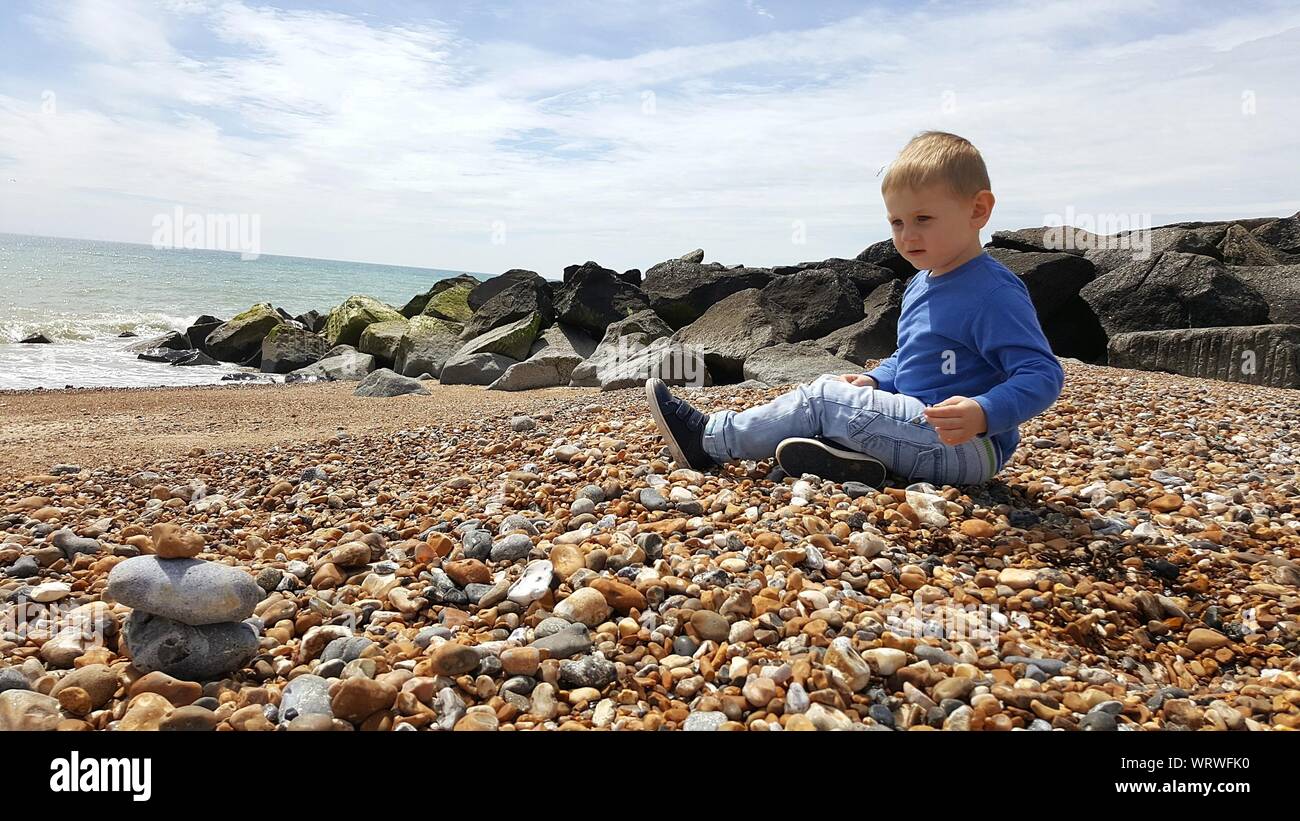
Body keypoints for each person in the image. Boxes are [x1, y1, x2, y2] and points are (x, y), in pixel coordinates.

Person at [646, 130, 1065, 487]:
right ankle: (855, 461)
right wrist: (876, 380)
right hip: (919, 429)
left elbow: (1041, 373)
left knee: (825, 400)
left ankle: (708, 439)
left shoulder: (993, 292)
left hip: (966, 446)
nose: (906, 235)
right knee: (838, 385)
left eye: (922, 219)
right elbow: (912, 355)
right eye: (896, 223)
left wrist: (984, 412)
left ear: (978, 210)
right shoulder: (923, 282)